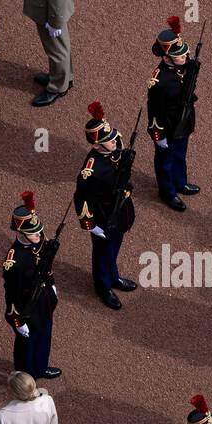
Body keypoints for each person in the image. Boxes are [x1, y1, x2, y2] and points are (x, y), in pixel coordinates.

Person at [73, 101, 137, 310]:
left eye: (113, 137)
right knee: (102, 253)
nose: (115, 141)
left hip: (119, 210)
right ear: (96, 145)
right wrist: (91, 226)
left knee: (114, 248)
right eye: (109, 140)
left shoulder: (114, 151)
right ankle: (103, 286)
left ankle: (114, 277)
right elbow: (80, 199)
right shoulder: (91, 171)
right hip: (103, 216)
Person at [2, 191, 60, 379]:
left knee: (44, 335)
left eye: (38, 230)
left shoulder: (38, 237)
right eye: (32, 232)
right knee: (26, 344)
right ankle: (25, 377)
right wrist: (17, 322)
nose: (38, 234)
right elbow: (11, 295)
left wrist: (51, 285)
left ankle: (40, 367)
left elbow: (44, 264)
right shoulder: (14, 262)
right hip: (26, 307)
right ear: (20, 232)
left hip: (43, 300)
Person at [146, 16, 201, 211]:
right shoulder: (159, 83)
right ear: (166, 57)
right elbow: (154, 111)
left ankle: (180, 182)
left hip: (182, 121)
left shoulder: (182, 65)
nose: (185, 57)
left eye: (185, 53)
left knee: (180, 155)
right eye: (180, 55)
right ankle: (167, 192)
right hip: (167, 127)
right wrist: (158, 136)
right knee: (165, 161)